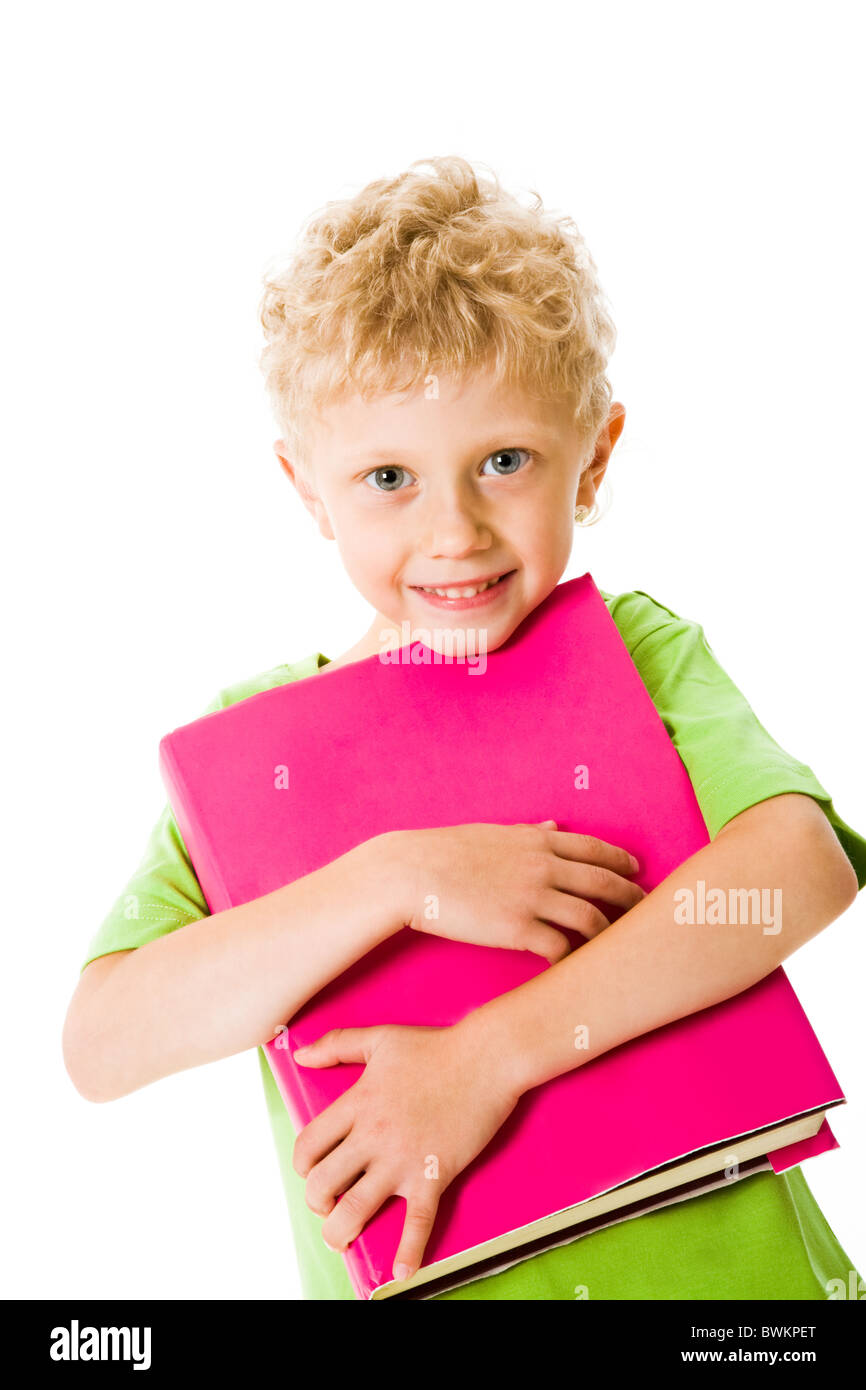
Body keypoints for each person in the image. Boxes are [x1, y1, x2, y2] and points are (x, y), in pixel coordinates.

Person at [63, 155, 866, 1300]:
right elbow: (105, 1040)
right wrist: (398, 879)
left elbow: (799, 866)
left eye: (503, 462)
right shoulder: (258, 745)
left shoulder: (636, 651)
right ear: (306, 490)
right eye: (388, 475)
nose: (453, 531)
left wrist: (490, 1056)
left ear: (591, 456)